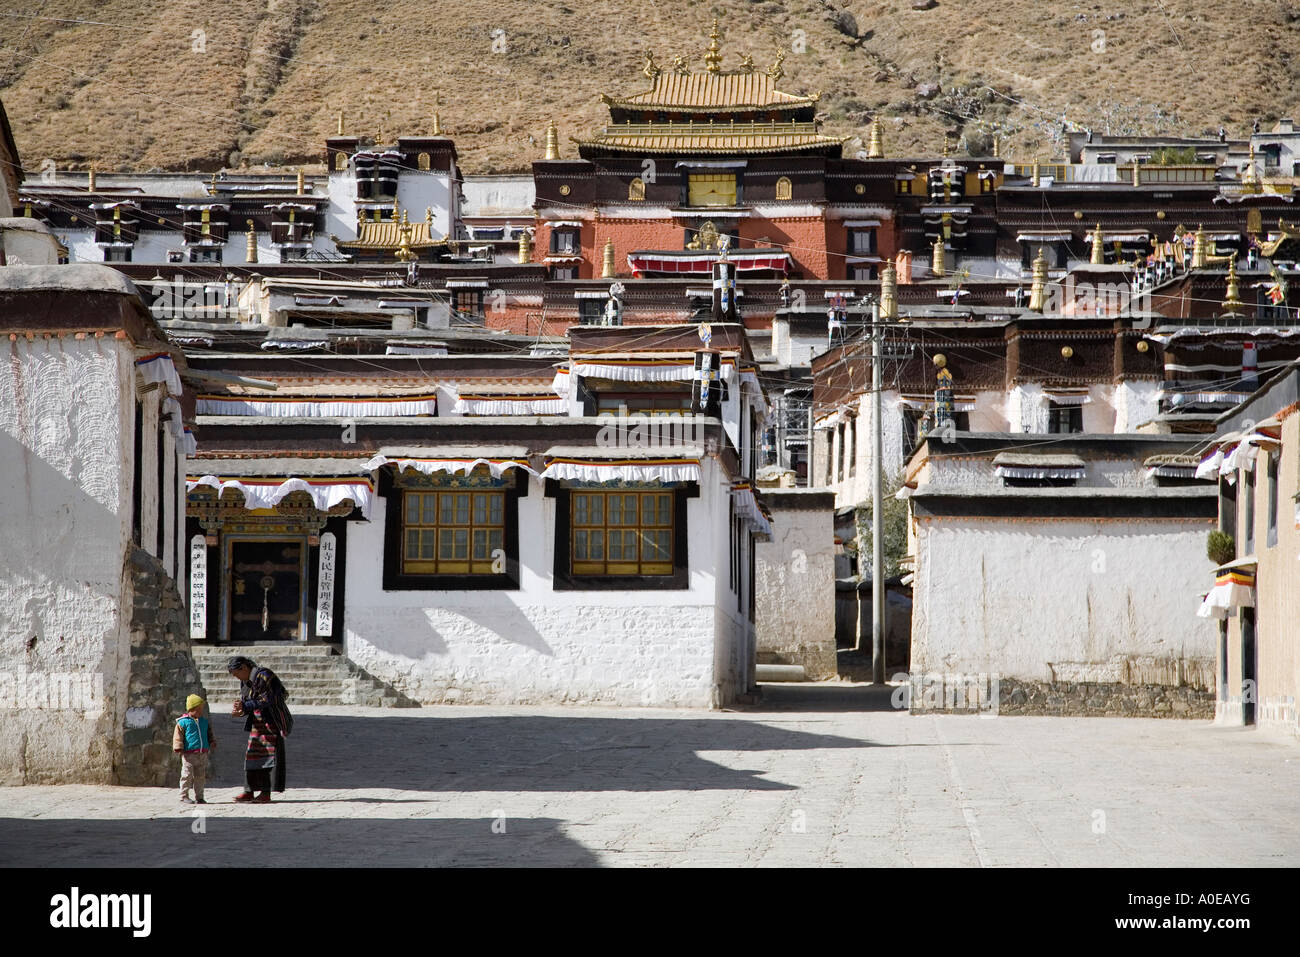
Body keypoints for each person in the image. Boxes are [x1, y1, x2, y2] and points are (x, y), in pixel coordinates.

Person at [226, 656, 291, 803]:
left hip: (272, 723)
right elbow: (247, 702)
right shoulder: (245, 681)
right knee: (252, 756)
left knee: (266, 757)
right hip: (257, 724)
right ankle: (249, 790)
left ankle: (265, 792)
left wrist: (245, 706)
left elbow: (268, 700)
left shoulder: (265, 676)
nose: (237, 678)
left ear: (244, 667)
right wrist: (240, 711)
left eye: (237, 674)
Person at [173, 694, 216, 804]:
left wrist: (212, 741)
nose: (201, 712)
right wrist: (178, 747)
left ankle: (199, 797)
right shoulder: (183, 722)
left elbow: (209, 733)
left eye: (201, 709)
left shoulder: (204, 721)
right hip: (189, 754)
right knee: (187, 775)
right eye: (199, 709)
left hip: (202, 754)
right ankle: (183, 795)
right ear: (191, 709)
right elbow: (178, 736)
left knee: (200, 776)